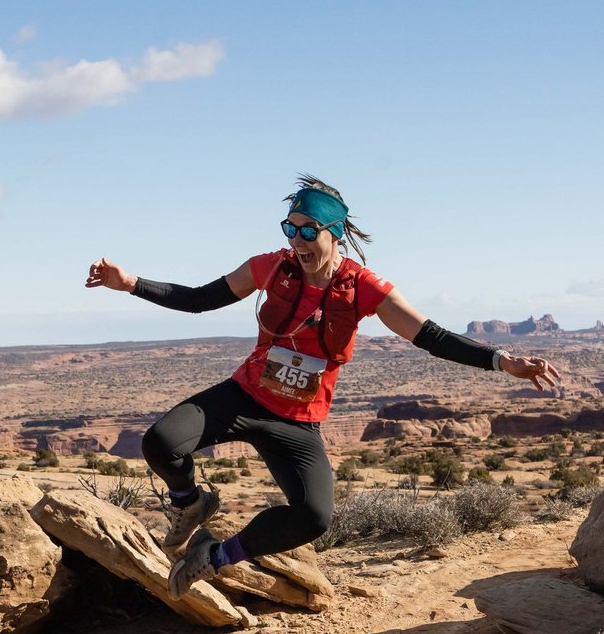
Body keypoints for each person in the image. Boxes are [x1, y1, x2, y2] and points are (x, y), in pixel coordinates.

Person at [86, 175, 560, 599]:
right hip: (244, 395)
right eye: (289, 229)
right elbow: (199, 300)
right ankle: (190, 504)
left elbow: (430, 337)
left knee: (314, 516)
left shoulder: (364, 288)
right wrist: (130, 283)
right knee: (160, 442)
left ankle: (214, 556)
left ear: (333, 233)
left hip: (298, 420)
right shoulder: (271, 267)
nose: (297, 240)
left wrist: (502, 362)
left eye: (307, 231)